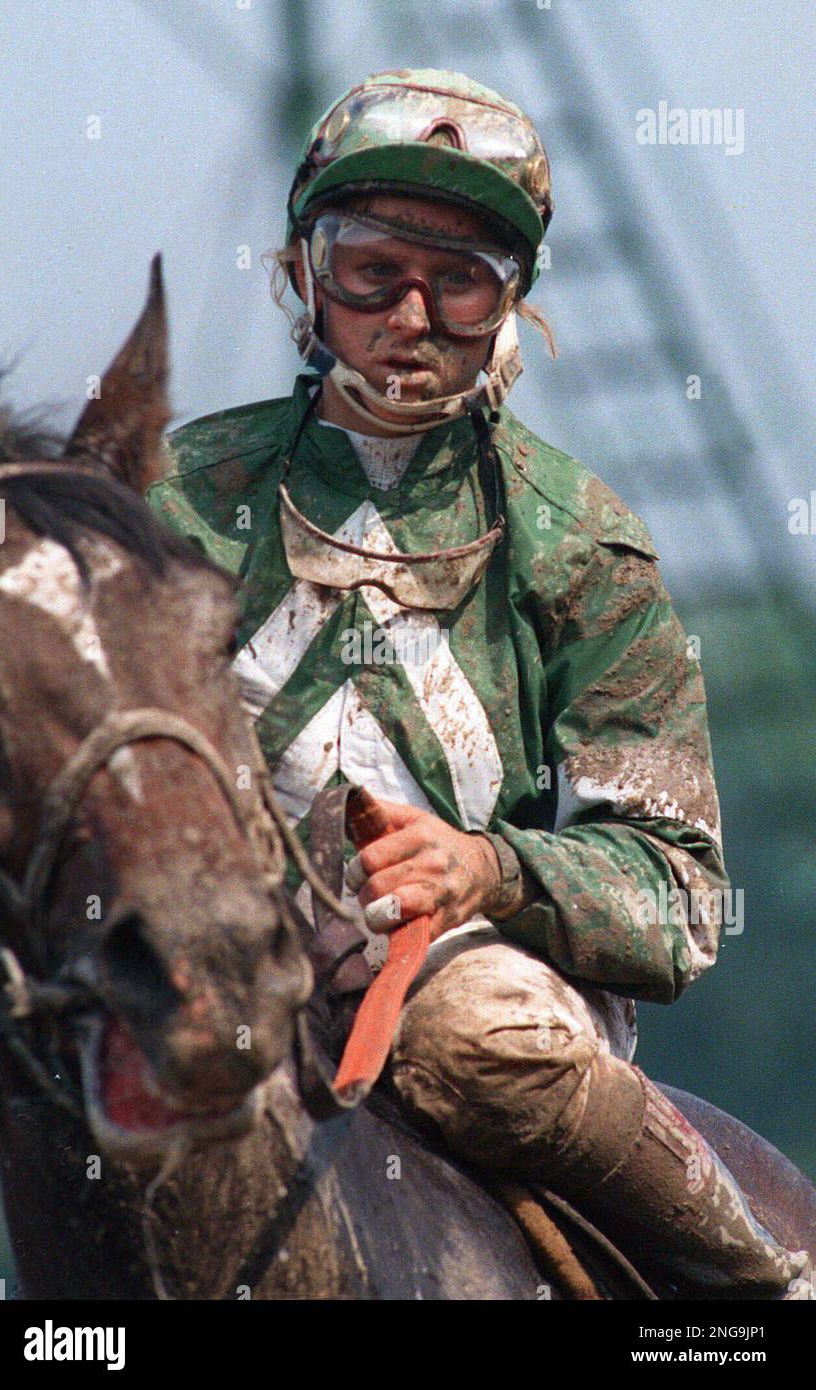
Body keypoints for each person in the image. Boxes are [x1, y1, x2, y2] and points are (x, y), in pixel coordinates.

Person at [147, 69, 811, 1298]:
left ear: (510, 308)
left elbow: (678, 890)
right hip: (211, 954)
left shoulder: (580, 544)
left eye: (458, 280)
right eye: (370, 269)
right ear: (302, 273)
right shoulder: (173, 496)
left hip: (472, 976)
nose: (409, 315)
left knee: (485, 1042)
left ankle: (764, 1284)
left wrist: (484, 868)